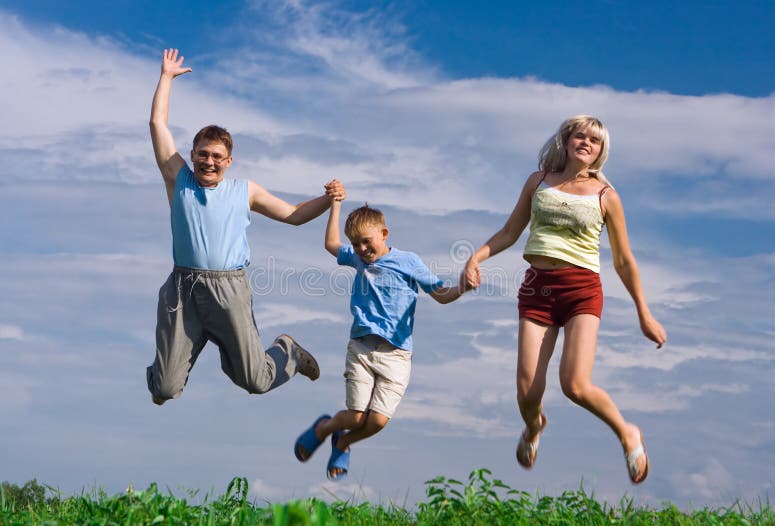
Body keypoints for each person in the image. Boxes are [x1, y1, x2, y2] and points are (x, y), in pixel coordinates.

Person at [464, 115, 666, 484]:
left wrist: (644, 312)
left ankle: (626, 431)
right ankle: (534, 426)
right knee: (527, 391)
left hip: (581, 290)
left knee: (574, 384)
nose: (587, 143)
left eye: (596, 140)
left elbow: (623, 260)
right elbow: (511, 231)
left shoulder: (607, 197)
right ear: (566, 140)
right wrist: (476, 257)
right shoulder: (538, 181)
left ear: (602, 151)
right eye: (580, 136)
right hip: (538, 288)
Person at [146, 48, 346, 404]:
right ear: (192, 155)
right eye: (203, 154)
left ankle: (289, 351)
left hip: (229, 290)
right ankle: (167, 364)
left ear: (228, 161)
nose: (209, 162)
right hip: (183, 287)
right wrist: (166, 78)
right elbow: (157, 125)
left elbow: (294, 214)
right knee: (163, 389)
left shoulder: (244, 191)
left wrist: (328, 200)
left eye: (217, 157)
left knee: (255, 381)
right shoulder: (179, 180)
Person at [293, 200, 468, 480]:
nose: (362, 249)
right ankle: (324, 428)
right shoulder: (358, 259)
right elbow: (331, 244)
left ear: (384, 234)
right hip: (361, 347)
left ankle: (343, 442)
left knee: (377, 421)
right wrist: (335, 204)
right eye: (357, 244)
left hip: (397, 354)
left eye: (366, 242)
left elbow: (441, 294)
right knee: (356, 416)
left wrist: (463, 287)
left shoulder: (408, 262)